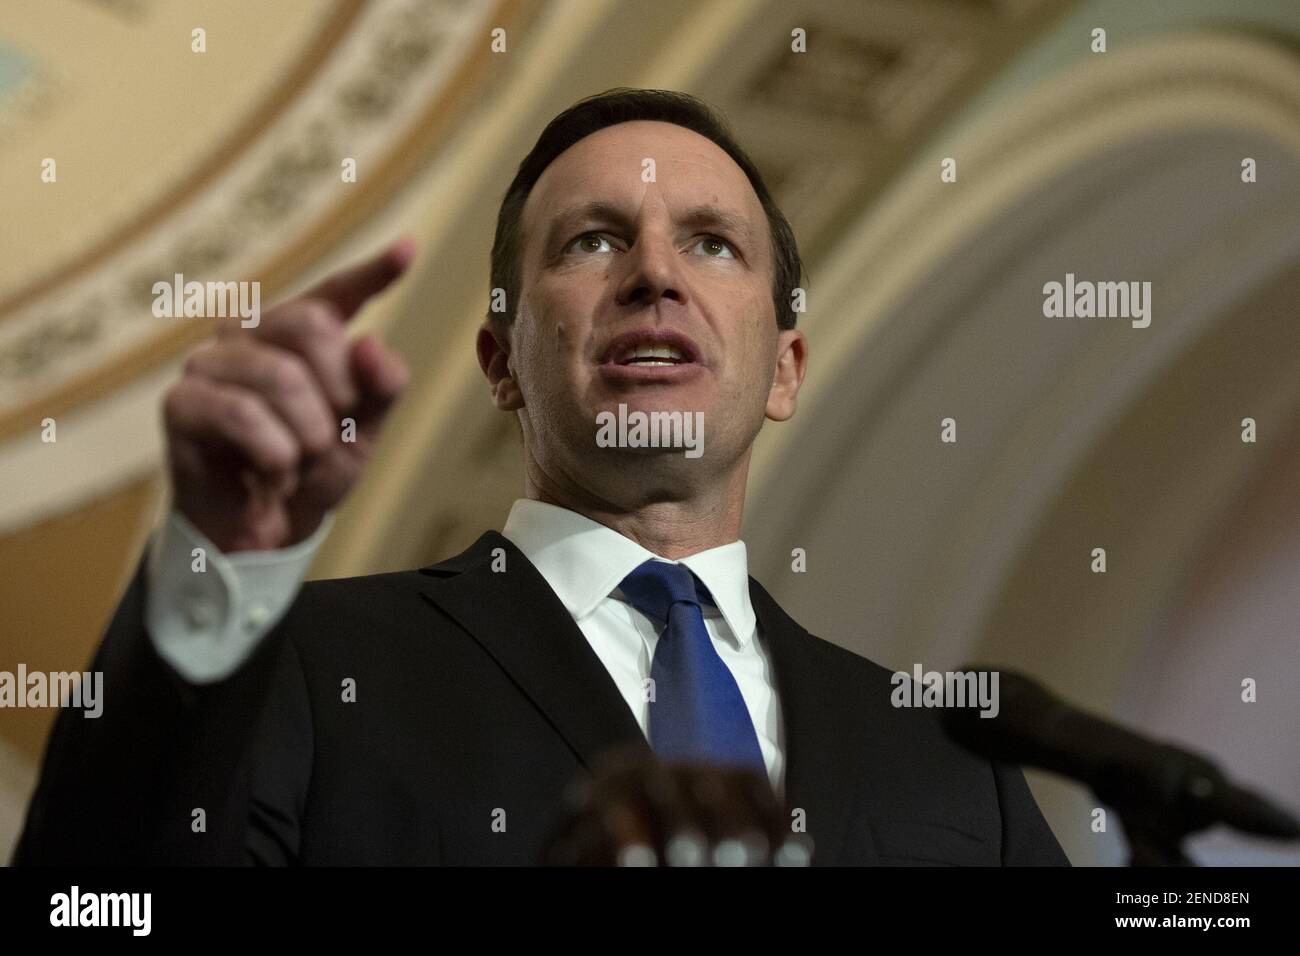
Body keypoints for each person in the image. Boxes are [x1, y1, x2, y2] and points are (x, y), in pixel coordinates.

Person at [14, 88, 1069, 866]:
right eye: (594, 239)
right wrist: (217, 567)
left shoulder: (947, 760)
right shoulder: (309, 671)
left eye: (710, 244)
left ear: (784, 368)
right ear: (499, 361)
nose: (654, 273)